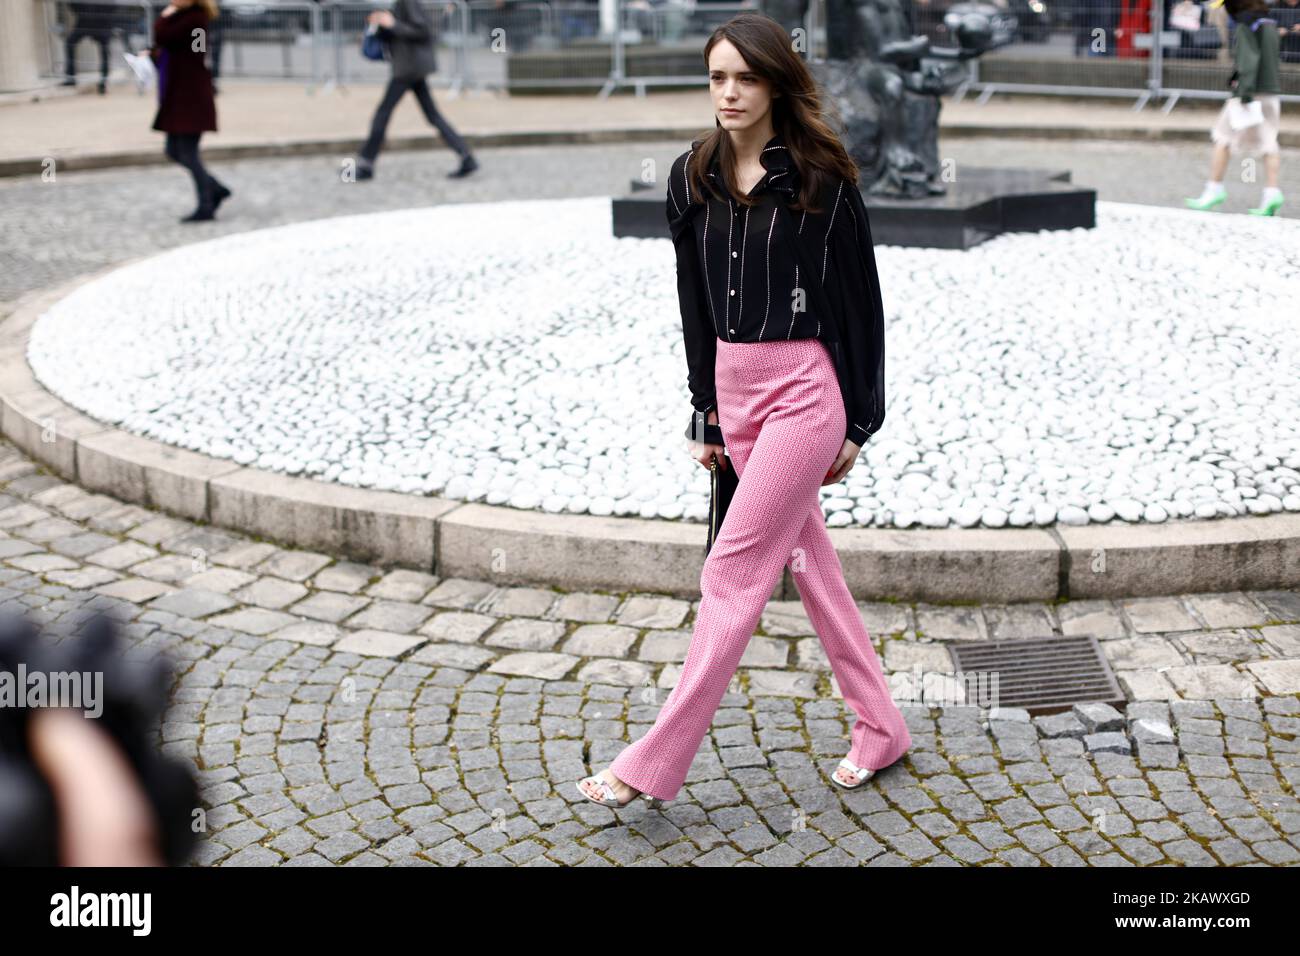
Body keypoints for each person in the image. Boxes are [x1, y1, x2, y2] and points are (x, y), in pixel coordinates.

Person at [576, 12, 911, 809]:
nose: (729, 92)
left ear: (775, 83)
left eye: (746, 77)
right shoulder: (691, 175)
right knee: (813, 569)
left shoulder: (822, 179)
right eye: (718, 76)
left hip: (804, 394)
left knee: (731, 569)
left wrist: (860, 421)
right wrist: (706, 412)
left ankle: (652, 763)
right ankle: (882, 725)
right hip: (735, 391)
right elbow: (694, 304)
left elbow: (861, 307)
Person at [354, 0, 477, 180]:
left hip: (409, 68)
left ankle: (366, 164)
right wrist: (381, 24)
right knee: (432, 115)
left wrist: (392, 23)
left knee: (383, 113)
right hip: (410, 67)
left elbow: (423, 31)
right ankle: (466, 156)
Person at [1185, 0, 1285, 216]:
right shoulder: (1268, 23)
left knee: (1222, 137)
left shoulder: (1245, 25)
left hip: (1249, 93)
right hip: (1270, 91)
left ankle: (1214, 189)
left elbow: (1248, 62)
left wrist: (1244, 94)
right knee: (1269, 143)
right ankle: (1272, 192)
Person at [150, 0, 232, 222]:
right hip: (178, 98)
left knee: (187, 152)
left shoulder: (196, 19)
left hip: (191, 99)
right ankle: (214, 188)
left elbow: (185, 47)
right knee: (174, 150)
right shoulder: (182, 17)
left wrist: (165, 17)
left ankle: (207, 203)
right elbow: (172, 46)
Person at [62, 2, 116, 94]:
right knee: (70, 42)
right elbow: (72, 4)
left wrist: (101, 16)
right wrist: (84, 14)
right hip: (84, 22)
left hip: (102, 24)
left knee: (105, 51)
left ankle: (103, 81)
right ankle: (71, 78)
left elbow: (113, 6)